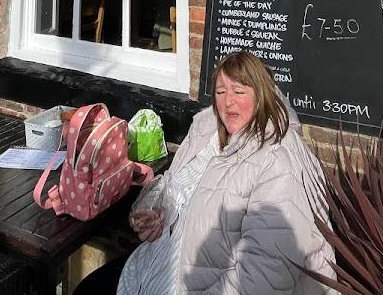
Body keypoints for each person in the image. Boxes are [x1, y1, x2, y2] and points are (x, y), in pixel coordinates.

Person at [74, 51, 335, 295]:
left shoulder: (276, 159)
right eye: (221, 91)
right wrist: (151, 211)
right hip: (159, 262)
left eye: (239, 91)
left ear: (261, 96)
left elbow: (268, 270)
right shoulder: (206, 132)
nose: (228, 102)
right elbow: (169, 184)